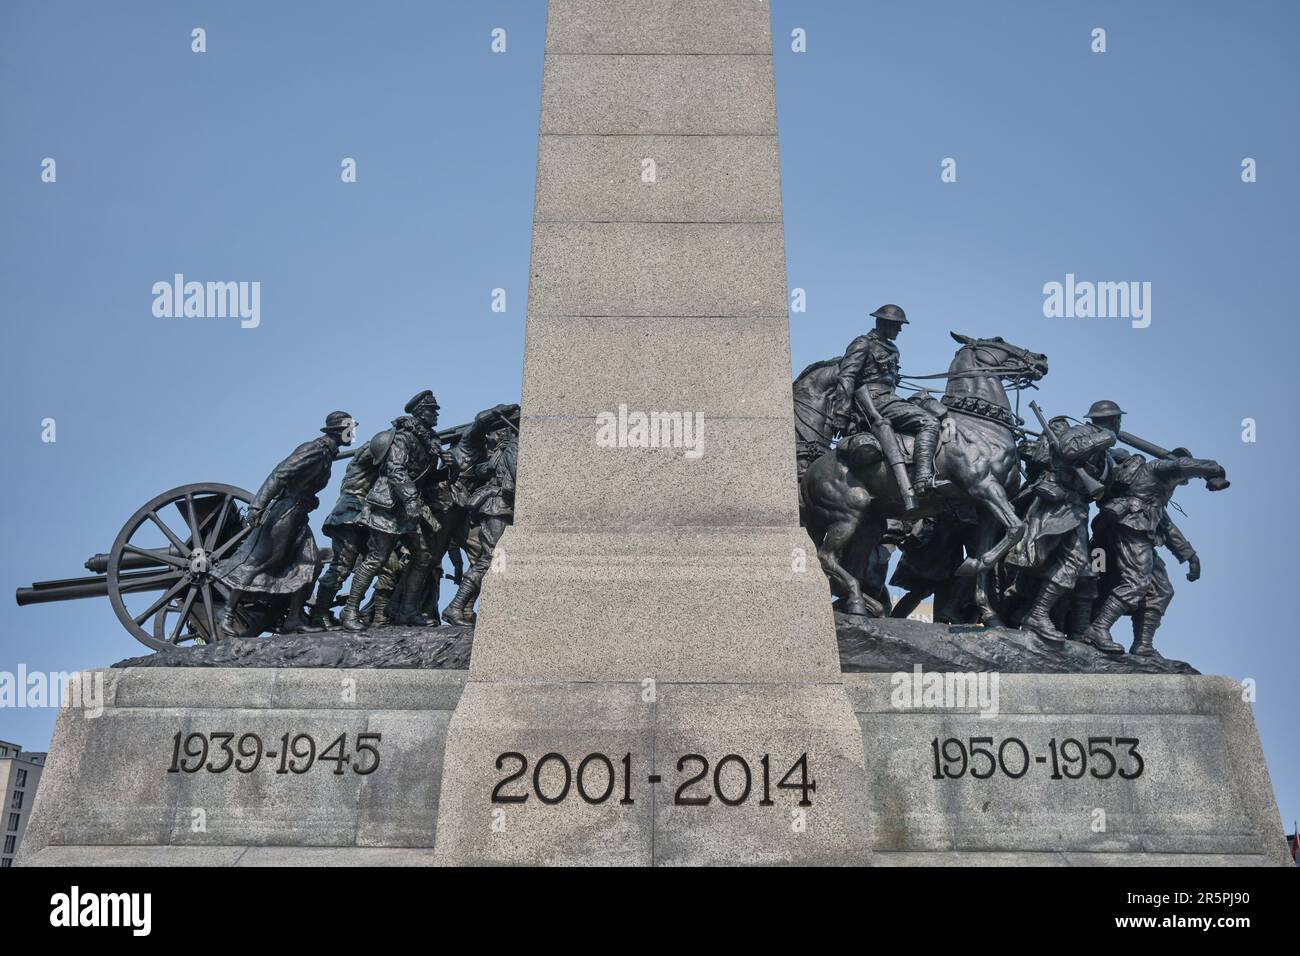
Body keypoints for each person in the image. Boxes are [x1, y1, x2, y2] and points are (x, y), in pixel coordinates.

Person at [214, 411, 355, 637]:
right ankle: (228, 612)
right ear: (341, 430)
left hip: (299, 514)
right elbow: (279, 474)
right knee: (263, 561)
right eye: (351, 429)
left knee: (311, 563)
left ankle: (294, 618)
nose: (353, 433)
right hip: (285, 514)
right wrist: (257, 505)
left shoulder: (326, 454)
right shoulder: (313, 449)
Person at [339, 390, 451, 631]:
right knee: (376, 559)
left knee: (422, 557)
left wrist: (448, 470)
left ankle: (407, 611)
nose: (436, 414)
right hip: (388, 506)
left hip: (408, 507)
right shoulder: (403, 437)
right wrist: (411, 500)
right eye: (432, 410)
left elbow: (425, 478)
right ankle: (349, 612)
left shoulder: (428, 441)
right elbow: (396, 470)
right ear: (421, 413)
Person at [831, 304, 941, 496]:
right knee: (929, 422)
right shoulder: (863, 343)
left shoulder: (893, 348)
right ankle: (922, 477)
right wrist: (841, 413)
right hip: (873, 401)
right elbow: (846, 377)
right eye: (896, 325)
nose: (899, 329)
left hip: (889, 399)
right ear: (883, 323)